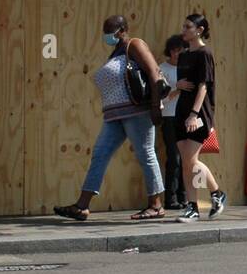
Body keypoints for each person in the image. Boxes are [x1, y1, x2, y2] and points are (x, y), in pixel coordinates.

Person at [54, 15, 166, 222]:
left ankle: (156, 205)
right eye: (105, 31)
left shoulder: (135, 44)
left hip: (136, 112)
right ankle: (82, 206)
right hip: (114, 116)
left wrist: (155, 106)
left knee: (145, 154)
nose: (107, 35)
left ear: (123, 30)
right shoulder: (116, 52)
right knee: (100, 154)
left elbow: (154, 73)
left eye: (111, 31)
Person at [173, 14, 225, 223]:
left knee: (191, 161)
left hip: (199, 113)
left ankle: (216, 192)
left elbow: (203, 86)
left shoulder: (205, 53)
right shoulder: (184, 55)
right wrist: (175, 87)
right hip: (181, 111)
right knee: (186, 163)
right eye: (183, 26)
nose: (183, 30)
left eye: (188, 27)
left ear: (200, 30)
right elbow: (184, 84)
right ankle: (193, 206)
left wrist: (194, 115)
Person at [158, 34, 186, 211]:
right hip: (169, 117)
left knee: (186, 159)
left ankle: (184, 197)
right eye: (175, 50)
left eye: (181, 50)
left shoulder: (188, 68)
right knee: (174, 158)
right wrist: (177, 90)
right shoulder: (162, 69)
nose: (177, 54)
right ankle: (171, 198)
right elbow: (161, 99)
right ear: (169, 51)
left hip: (186, 117)